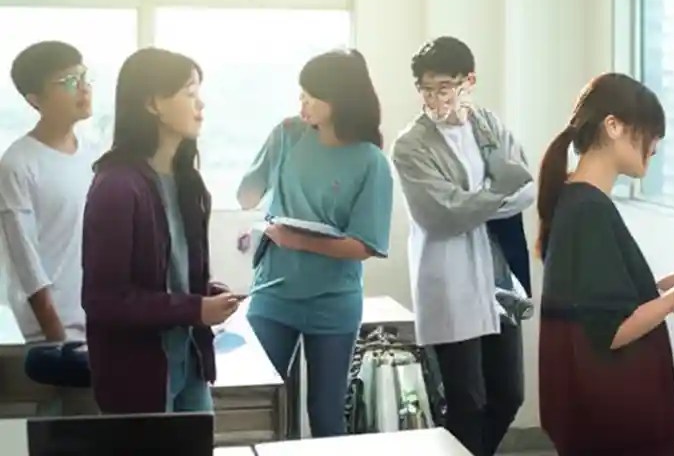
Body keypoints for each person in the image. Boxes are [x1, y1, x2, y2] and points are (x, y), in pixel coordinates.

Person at [537, 73, 674, 456]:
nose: (657, 147)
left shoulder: (576, 200)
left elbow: (598, 303)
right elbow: (611, 330)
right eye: (652, 133)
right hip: (616, 428)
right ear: (613, 126)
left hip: (599, 424)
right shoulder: (588, 211)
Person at [238, 49, 393, 438]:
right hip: (274, 294)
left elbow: (365, 245)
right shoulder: (288, 135)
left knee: (325, 415)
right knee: (261, 409)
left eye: (311, 96)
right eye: (300, 94)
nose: (302, 104)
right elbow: (247, 197)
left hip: (333, 302)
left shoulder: (371, 161)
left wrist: (298, 241)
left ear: (338, 100)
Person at [392, 37, 533, 456]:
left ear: (468, 81)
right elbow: (440, 215)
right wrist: (494, 194)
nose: (434, 99)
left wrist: (477, 200)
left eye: (444, 87)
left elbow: (524, 189)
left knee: (509, 395)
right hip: (449, 284)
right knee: (465, 404)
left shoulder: (487, 124)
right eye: (425, 89)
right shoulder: (410, 145)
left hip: (496, 281)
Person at [82, 47, 241, 413]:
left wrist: (204, 295)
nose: (200, 105)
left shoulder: (188, 181)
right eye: (189, 93)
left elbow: (170, 274)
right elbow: (104, 300)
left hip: (190, 363)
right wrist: (194, 307)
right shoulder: (117, 187)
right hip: (139, 375)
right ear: (153, 103)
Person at [0, 42, 93, 391]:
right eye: (68, 81)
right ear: (34, 99)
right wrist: (60, 339)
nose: (83, 88)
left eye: (84, 76)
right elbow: (27, 264)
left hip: (96, 322)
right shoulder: (18, 164)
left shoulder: (92, 155)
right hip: (55, 339)